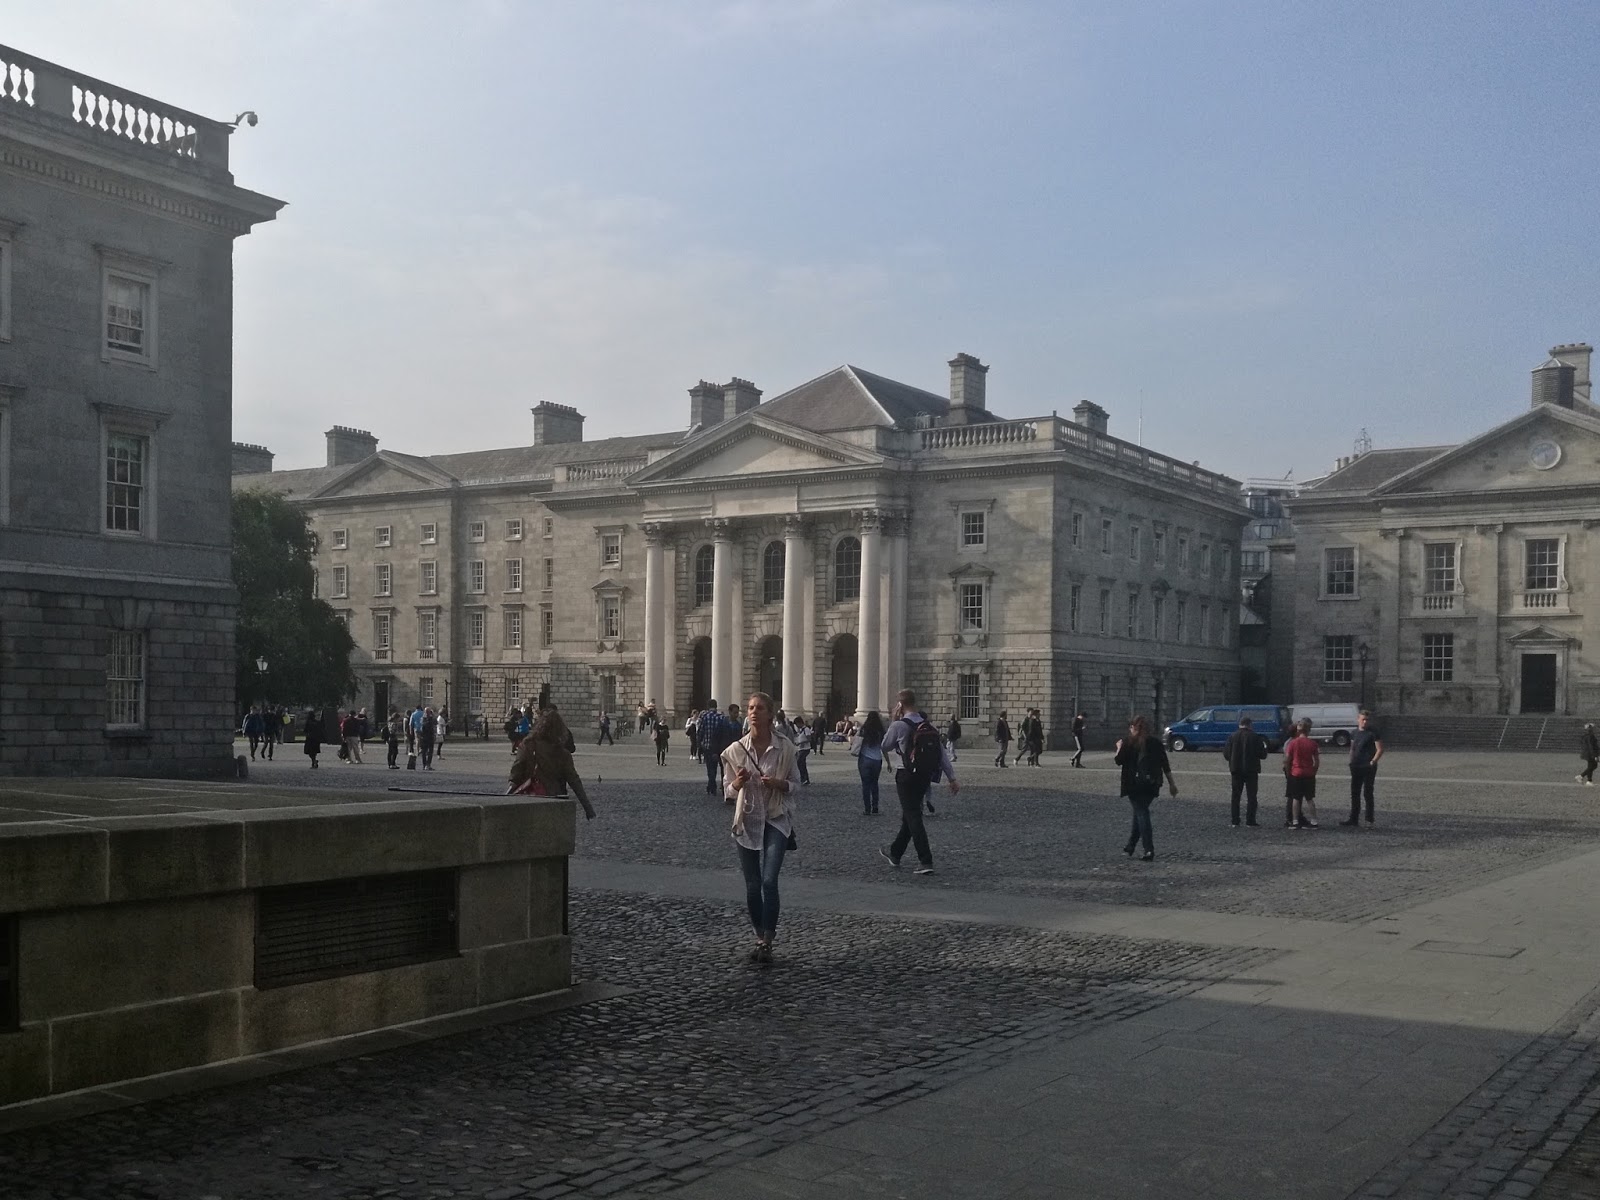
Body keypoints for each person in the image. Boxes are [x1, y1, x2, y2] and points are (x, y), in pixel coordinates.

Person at [724, 691, 800, 963]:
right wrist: (738, 783)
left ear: (770, 713)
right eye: (750, 708)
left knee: (769, 880)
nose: (753, 712)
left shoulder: (786, 749)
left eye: (759, 708)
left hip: (776, 818)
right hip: (747, 821)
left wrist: (779, 784)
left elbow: (795, 785)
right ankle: (759, 936)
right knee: (753, 885)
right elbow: (728, 792)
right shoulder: (735, 751)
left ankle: (768, 938)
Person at [879, 689, 959, 875]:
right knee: (910, 814)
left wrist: (893, 721)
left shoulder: (899, 725)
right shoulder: (927, 725)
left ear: (900, 705)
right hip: (924, 776)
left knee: (913, 815)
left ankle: (926, 860)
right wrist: (952, 778)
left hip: (906, 775)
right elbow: (941, 755)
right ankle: (895, 853)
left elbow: (884, 745)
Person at [1115, 714, 1177, 861]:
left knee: (1142, 814)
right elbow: (1165, 764)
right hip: (1152, 783)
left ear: (1133, 727)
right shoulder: (1155, 743)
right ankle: (1130, 845)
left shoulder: (1128, 742)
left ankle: (1148, 849)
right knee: (1140, 813)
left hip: (1133, 784)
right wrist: (1172, 784)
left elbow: (1119, 761)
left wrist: (1118, 748)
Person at [1223, 715, 1267, 827]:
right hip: (1251, 770)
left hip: (1236, 769)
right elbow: (1263, 755)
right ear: (1250, 725)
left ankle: (1235, 820)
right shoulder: (1256, 737)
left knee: (1235, 796)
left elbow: (1226, 754)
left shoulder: (1232, 736)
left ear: (1240, 724)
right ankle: (1250, 820)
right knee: (1252, 796)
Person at [1344, 709, 1384, 825]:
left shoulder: (1373, 732)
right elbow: (1352, 748)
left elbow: (1380, 749)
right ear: (1358, 720)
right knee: (1355, 792)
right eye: (1363, 720)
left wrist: (1373, 761)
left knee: (1368, 792)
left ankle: (1369, 820)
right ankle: (1353, 818)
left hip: (1368, 766)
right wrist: (1351, 761)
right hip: (1356, 765)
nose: (1365, 722)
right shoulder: (1354, 733)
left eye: (1367, 720)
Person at [1284, 719, 1320, 829]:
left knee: (1296, 798)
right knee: (1309, 798)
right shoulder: (1313, 743)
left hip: (1296, 773)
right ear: (1308, 730)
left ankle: (1295, 821)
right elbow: (1317, 760)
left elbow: (1287, 760)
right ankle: (1314, 821)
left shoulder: (1292, 743)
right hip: (1308, 773)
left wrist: (1289, 771)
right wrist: (1314, 770)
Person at [857, 709, 885, 815]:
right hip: (877, 759)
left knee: (865, 785)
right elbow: (884, 747)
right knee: (874, 784)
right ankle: (875, 806)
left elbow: (858, 742)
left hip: (865, 758)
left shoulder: (864, 729)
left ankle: (867, 808)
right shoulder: (880, 731)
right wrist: (888, 762)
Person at [700, 700, 731, 795]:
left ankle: (712, 786)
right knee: (722, 768)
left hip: (708, 746)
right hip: (720, 746)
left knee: (711, 768)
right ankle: (723, 786)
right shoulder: (721, 717)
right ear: (716, 706)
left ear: (708, 706)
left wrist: (700, 743)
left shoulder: (704, 717)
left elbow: (701, 731)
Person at [792, 716, 812, 785]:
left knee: (799, 763)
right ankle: (805, 779)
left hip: (805, 749)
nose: (796, 726)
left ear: (799, 723)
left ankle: (803, 778)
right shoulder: (800, 730)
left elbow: (809, 739)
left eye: (797, 724)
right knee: (802, 764)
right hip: (801, 749)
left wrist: (800, 742)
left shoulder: (806, 729)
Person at [419, 706, 438, 770]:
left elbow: (435, 723)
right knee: (427, 752)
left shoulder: (423, 719)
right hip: (427, 737)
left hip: (426, 737)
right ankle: (426, 765)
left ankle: (426, 765)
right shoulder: (426, 719)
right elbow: (434, 724)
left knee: (427, 752)